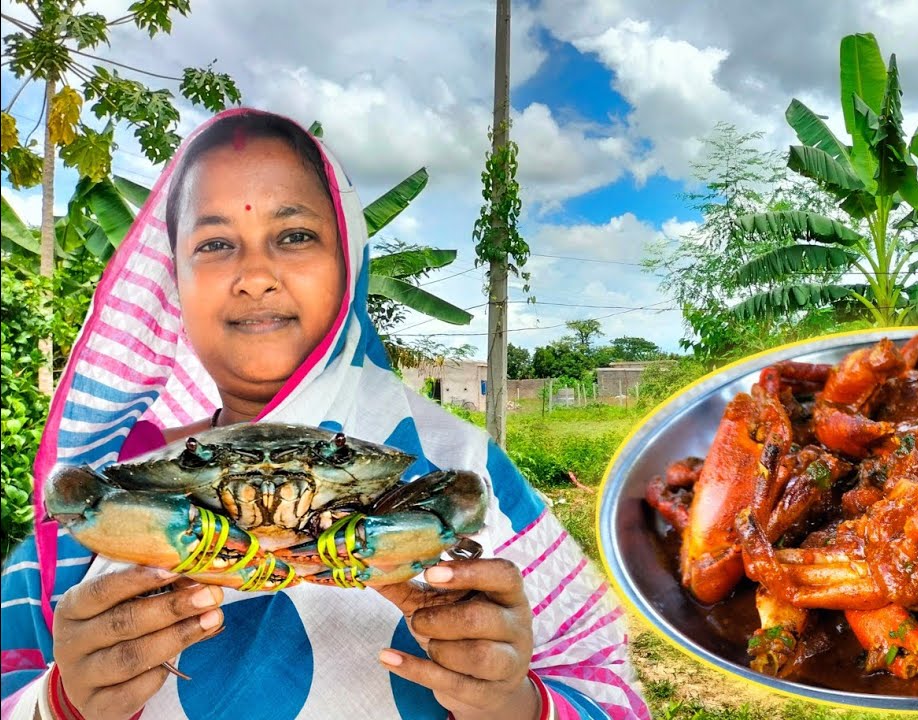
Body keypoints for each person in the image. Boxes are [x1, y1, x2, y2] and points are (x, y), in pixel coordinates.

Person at [0, 109, 650, 720]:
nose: (254, 274)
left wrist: (517, 704)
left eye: (293, 234)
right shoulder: (83, 522)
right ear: (174, 282)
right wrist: (58, 702)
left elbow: (608, 690)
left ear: (350, 262)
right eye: (215, 243)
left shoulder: (464, 470)